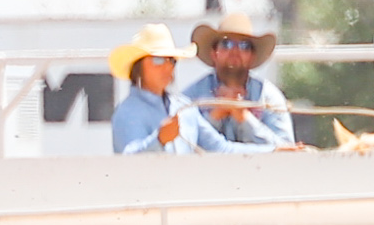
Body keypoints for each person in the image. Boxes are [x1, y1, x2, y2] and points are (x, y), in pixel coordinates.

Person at [109, 23, 272, 154]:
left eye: (171, 60)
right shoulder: (127, 112)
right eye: (158, 60)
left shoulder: (184, 107)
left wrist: (273, 150)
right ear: (139, 67)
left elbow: (220, 148)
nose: (167, 67)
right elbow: (127, 161)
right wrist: (159, 140)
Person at [185, 12, 296, 146]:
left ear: (252, 56)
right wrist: (216, 115)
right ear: (214, 53)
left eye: (244, 46)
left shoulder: (270, 98)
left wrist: (244, 117)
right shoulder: (191, 97)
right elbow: (181, 145)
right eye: (226, 43)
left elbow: (287, 149)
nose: (235, 51)